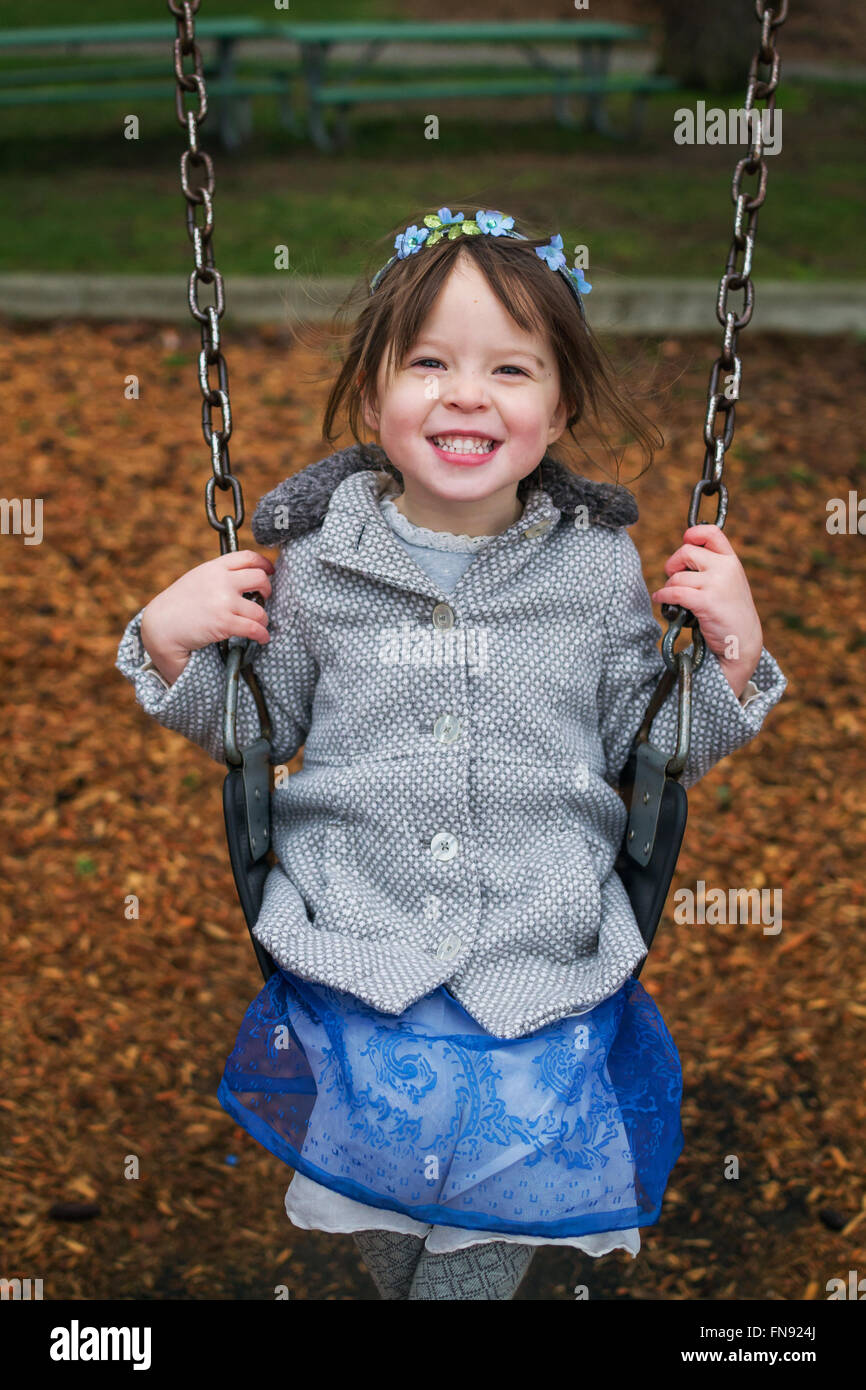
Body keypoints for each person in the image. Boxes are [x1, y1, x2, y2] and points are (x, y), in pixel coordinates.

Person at [114, 206, 788, 1300]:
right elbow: (260, 728)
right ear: (372, 391)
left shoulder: (593, 569)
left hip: (534, 975)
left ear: (559, 402)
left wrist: (734, 655)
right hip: (360, 965)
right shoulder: (320, 562)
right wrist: (168, 640)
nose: (465, 393)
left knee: (468, 1266)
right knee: (392, 1236)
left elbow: (643, 746)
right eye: (427, 361)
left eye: (509, 368)